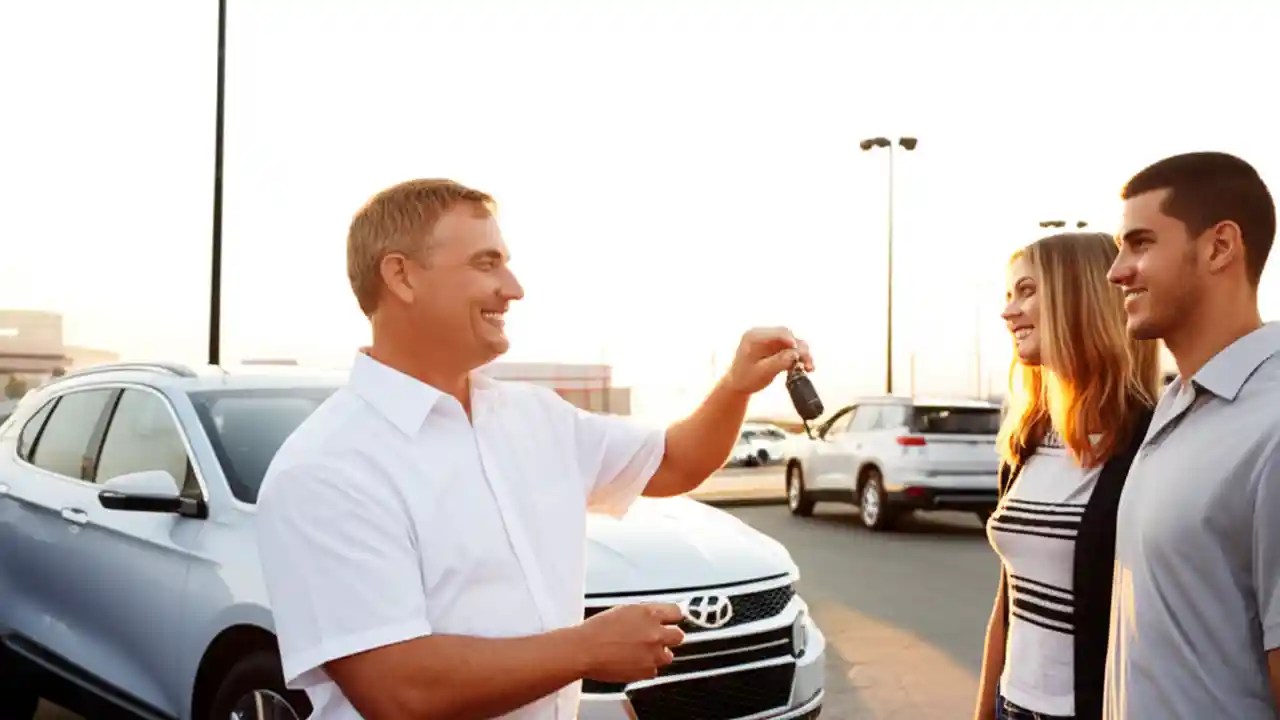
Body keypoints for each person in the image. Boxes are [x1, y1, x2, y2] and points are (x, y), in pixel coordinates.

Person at [254, 178, 815, 720]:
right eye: (485, 263)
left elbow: (675, 461)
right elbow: (401, 692)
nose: (514, 288)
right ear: (401, 275)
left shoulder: (535, 419)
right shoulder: (325, 468)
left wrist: (736, 385)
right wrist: (587, 649)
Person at [1103, 151, 1280, 719]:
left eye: (1141, 243)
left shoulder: (1271, 426)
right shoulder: (1177, 402)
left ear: (1220, 246)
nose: (1117, 271)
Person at [972, 232, 1162, 720]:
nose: (1008, 311)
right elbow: (1009, 597)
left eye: (1028, 291)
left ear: (1080, 297)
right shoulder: (1027, 442)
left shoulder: (1152, 443)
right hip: (1011, 705)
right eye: (1009, 294)